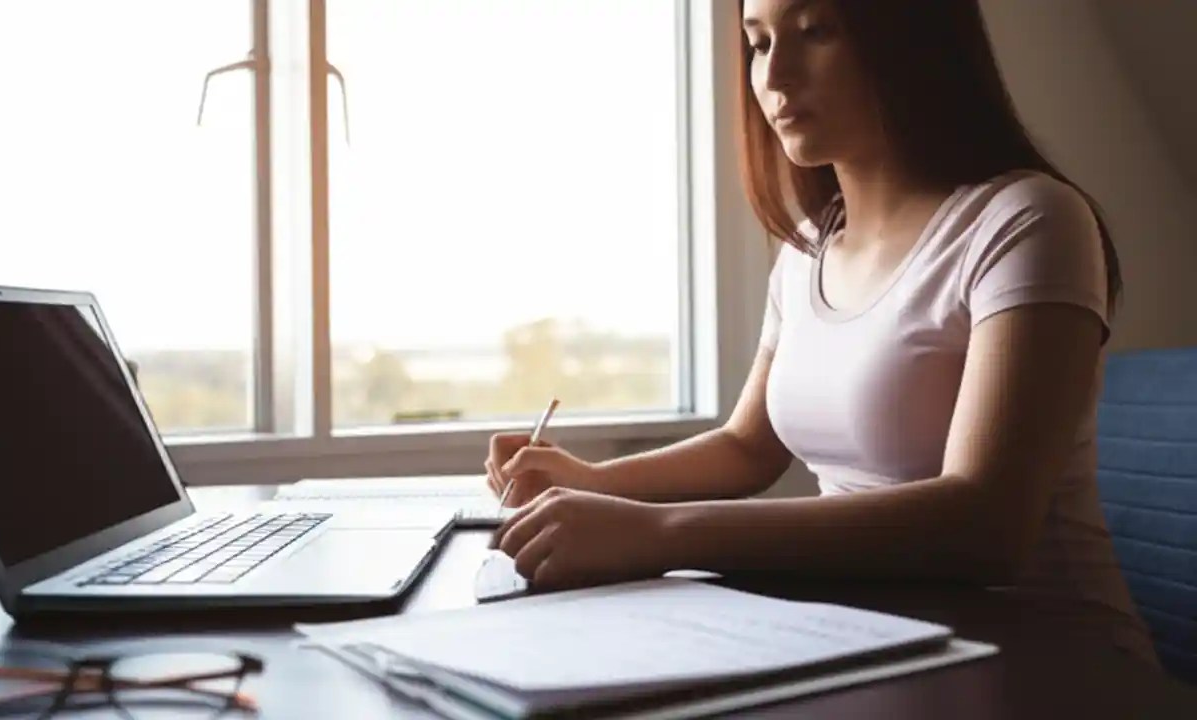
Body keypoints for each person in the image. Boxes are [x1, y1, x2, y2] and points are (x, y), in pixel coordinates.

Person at [483, 0, 1158, 666]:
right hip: (871, 643)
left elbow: (986, 524)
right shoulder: (810, 246)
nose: (775, 77)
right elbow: (747, 448)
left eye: (815, 31)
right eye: (759, 42)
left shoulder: (1027, 221)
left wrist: (661, 532)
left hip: (1047, 659)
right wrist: (593, 481)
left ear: (912, 42)